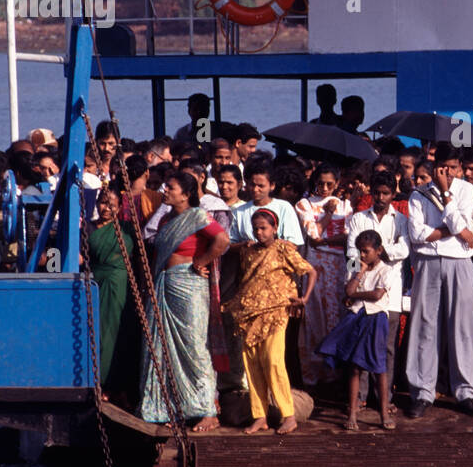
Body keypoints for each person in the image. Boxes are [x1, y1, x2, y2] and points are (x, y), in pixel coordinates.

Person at [139, 171, 230, 431]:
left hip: (189, 285)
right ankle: (174, 407)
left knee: (194, 346)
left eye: (171, 187)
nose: (165, 190)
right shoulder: (167, 218)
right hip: (165, 284)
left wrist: (199, 262)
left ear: (186, 194)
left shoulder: (198, 216)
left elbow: (222, 240)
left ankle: (208, 411)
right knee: (164, 346)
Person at [405, 144, 473, 417]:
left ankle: (466, 392)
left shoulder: (467, 190)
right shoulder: (418, 194)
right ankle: (422, 392)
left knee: (463, 327)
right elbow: (416, 234)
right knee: (424, 325)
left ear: (459, 168)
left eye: (452, 168)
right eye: (442, 168)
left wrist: (446, 193)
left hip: (460, 262)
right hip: (427, 261)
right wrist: (453, 229)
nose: (447, 172)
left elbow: (464, 225)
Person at [223, 208, 315, 434]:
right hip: (250, 314)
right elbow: (245, 280)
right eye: (256, 229)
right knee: (252, 364)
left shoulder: (283, 248)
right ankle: (260, 416)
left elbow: (310, 271)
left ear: (274, 228)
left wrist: (304, 298)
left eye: (264, 228)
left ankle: (289, 415)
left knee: (273, 361)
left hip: (276, 312)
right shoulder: (248, 252)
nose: (259, 232)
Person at [319, 229, 401, 430]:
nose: (362, 256)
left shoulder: (387, 270)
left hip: (376, 318)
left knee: (379, 367)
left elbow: (376, 295)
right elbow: (347, 290)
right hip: (357, 317)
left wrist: (355, 295)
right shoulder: (355, 264)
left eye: (366, 251)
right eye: (360, 251)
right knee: (354, 366)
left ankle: (383, 414)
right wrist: (360, 273)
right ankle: (353, 414)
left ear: (379, 250)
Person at [345, 170, 410, 410]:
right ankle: (360, 397)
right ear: (371, 193)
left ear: (393, 194)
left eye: (386, 193)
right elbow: (352, 253)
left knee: (387, 347)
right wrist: (357, 273)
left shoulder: (401, 220)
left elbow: (404, 251)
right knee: (360, 343)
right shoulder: (359, 218)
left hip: (389, 291)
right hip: (362, 288)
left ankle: (384, 399)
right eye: (377, 193)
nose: (381, 197)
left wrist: (378, 253)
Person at [296, 164, 353, 386]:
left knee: (335, 316)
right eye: (321, 183)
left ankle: (334, 375)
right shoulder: (304, 204)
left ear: (337, 183)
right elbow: (313, 235)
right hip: (315, 265)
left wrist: (325, 240)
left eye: (330, 184)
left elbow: (350, 238)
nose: (325, 188)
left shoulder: (347, 206)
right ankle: (312, 376)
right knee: (313, 318)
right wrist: (328, 213)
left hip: (338, 265)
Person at [84, 187, 136, 400]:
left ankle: (121, 386)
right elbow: (75, 257)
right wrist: (52, 265)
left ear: (121, 206)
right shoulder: (87, 228)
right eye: (103, 203)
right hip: (98, 282)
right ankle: (102, 382)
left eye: (112, 203)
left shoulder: (127, 229)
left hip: (123, 284)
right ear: (97, 204)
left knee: (122, 333)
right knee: (102, 332)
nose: (107, 208)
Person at [230, 162, 305, 245]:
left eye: (261, 186)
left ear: (272, 185)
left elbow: (294, 243)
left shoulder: (284, 207)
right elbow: (230, 245)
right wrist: (245, 245)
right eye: (252, 185)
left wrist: (272, 245)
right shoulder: (239, 212)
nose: (255, 189)